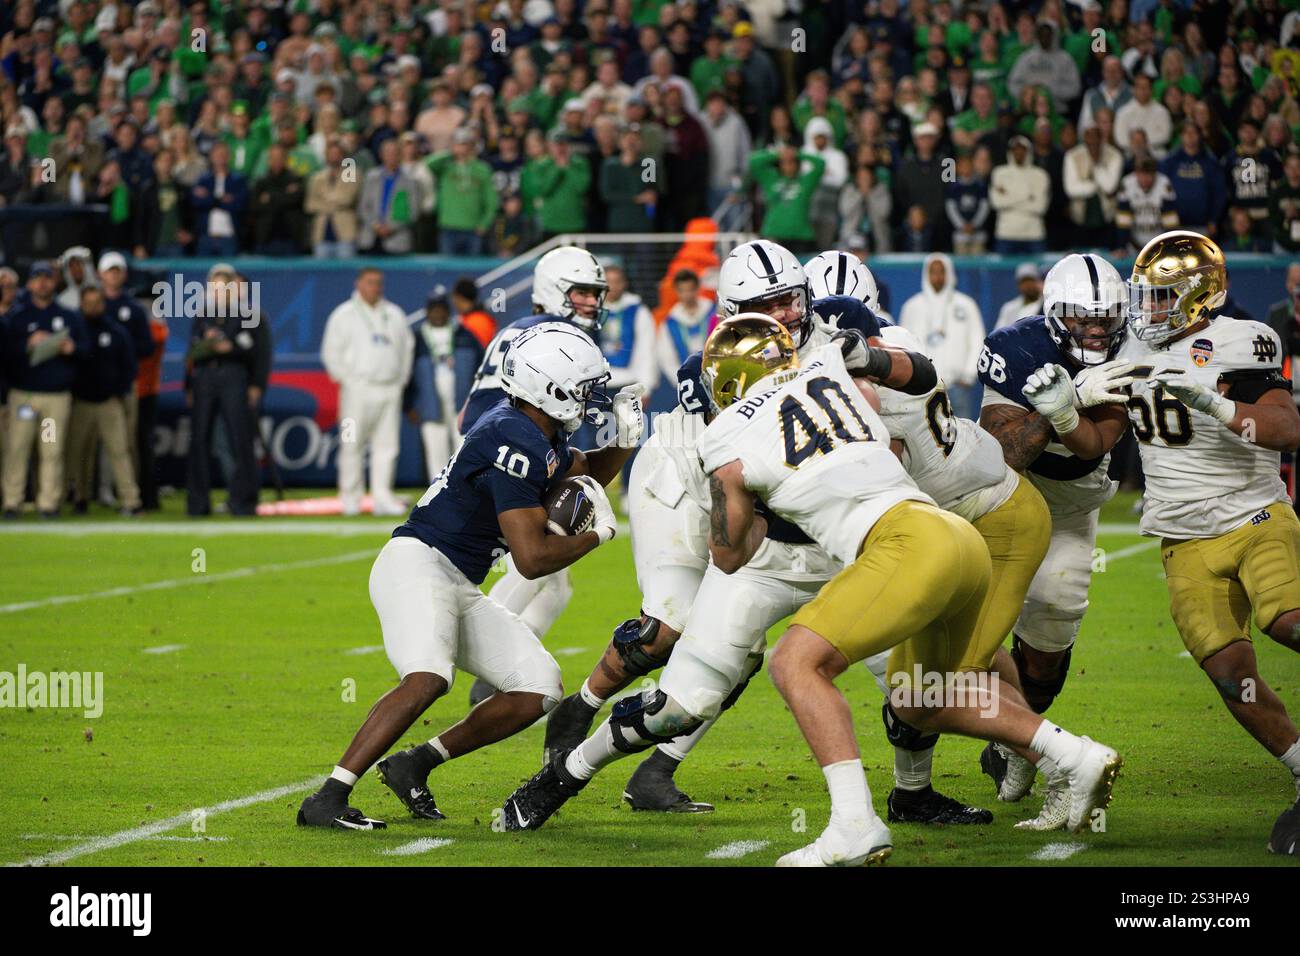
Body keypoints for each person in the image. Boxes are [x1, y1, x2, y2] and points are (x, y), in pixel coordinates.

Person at [505, 313, 1121, 864]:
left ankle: (857, 823)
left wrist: (737, 488)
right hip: (950, 538)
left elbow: (728, 552)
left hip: (877, 553)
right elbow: (919, 376)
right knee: (922, 697)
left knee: (795, 664)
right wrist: (865, 357)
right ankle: (1072, 755)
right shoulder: (831, 368)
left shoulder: (725, 435)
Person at [295, 323, 639, 830]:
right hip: (418, 563)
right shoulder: (513, 437)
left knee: (538, 686)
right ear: (551, 387)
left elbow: (581, 469)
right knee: (429, 678)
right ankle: (327, 798)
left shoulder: (532, 428)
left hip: (457, 579)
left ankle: (415, 763)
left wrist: (626, 442)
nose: (591, 397)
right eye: (583, 386)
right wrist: (599, 536)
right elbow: (531, 559)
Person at [1112, 232, 1300, 855]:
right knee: (1228, 675)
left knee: (1289, 621)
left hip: (1253, 516)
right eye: (1145, 295)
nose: (1149, 308)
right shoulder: (1128, 344)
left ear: (1199, 294)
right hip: (1183, 537)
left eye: (1162, 296)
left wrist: (1219, 407)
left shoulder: (1243, 339)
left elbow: (1286, 430)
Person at [977, 252, 1137, 829]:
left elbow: (1094, 444)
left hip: (1073, 504)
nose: (1095, 329)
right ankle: (926, 777)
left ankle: (1014, 743)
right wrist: (1056, 410)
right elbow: (1005, 454)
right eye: (1081, 317)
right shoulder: (1015, 347)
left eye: (1105, 317)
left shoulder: (1132, 348)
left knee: (1052, 632)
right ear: (1053, 314)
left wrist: (1067, 410)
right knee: (969, 630)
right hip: (1005, 496)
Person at [321, 267, 414, 517]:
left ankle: (382, 497)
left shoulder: (394, 314)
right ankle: (350, 497)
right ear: (358, 283)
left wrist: (400, 380)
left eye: (379, 282)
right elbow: (331, 352)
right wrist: (347, 379)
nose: (375, 287)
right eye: (370, 282)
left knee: (387, 446)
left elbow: (407, 348)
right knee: (351, 442)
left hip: (389, 390)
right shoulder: (343, 315)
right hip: (356, 391)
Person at [1, 261, 89, 519]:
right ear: (29, 284)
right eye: (37, 278)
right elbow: (4, 354)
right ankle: (12, 502)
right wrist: (27, 344)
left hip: (53, 398)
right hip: (25, 397)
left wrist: (72, 348)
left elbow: (86, 350)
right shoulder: (17, 317)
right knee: (17, 448)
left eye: (47, 278)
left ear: (55, 282)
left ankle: (48, 503)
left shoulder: (68, 316)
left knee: (50, 450)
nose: (42, 283)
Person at [185, 263, 261, 518]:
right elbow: (191, 353)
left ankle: (243, 502)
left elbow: (253, 351)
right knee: (198, 440)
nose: (219, 293)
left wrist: (231, 348)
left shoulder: (246, 315)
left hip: (233, 378)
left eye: (224, 288)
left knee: (239, 438)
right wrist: (189, 384)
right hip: (205, 379)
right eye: (215, 288)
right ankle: (197, 503)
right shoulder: (202, 316)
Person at [65, 286, 141, 515]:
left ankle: (131, 500)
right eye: (88, 303)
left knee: (120, 451)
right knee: (78, 453)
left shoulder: (116, 332)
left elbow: (130, 367)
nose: (92, 307)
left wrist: (117, 391)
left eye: (96, 302)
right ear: (81, 304)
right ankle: (80, 498)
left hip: (109, 402)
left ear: (103, 304)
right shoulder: (73, 332)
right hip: (81, 402)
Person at [899, 254, 985, 420]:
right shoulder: (912, 306)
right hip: (924, 387)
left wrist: (968, 374)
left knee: (963, 430)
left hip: (958, 384)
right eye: (933, 272)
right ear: (926, 274)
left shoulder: (966, 304)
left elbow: (977, 339)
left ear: (950, 273)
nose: (937, 276)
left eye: (942, 271)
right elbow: (903, 344)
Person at [358, 139, 421, 254]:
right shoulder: (371, 177)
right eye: (387, 153)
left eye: (394, 153)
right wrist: (375, 225)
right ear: (381, 155)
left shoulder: (410, 181)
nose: (391, 156)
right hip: (370, 239)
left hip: (397, 241)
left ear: (400, 155)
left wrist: (391, 227)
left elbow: (413, 212)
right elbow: (363, 207)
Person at [990, 136, 1050, 255]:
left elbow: (1039, 207)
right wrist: (1027, 197)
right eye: (1015, 149)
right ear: (1010, 152)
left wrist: (1009, 196)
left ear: (1029, 152)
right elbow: (997, 203)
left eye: (1022, 149)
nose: (1019, 153)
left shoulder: (1040, 175)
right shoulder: (999, 173)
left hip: (1034, 235)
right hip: (1006, 234)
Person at [995, 263, 1044, 330]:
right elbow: (999, 332)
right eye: (1024, 281)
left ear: (1038, 282)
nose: (1028, 285)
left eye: (1031, 281)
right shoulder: (1009, 308)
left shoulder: (1047, 305)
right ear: (1018, 284)